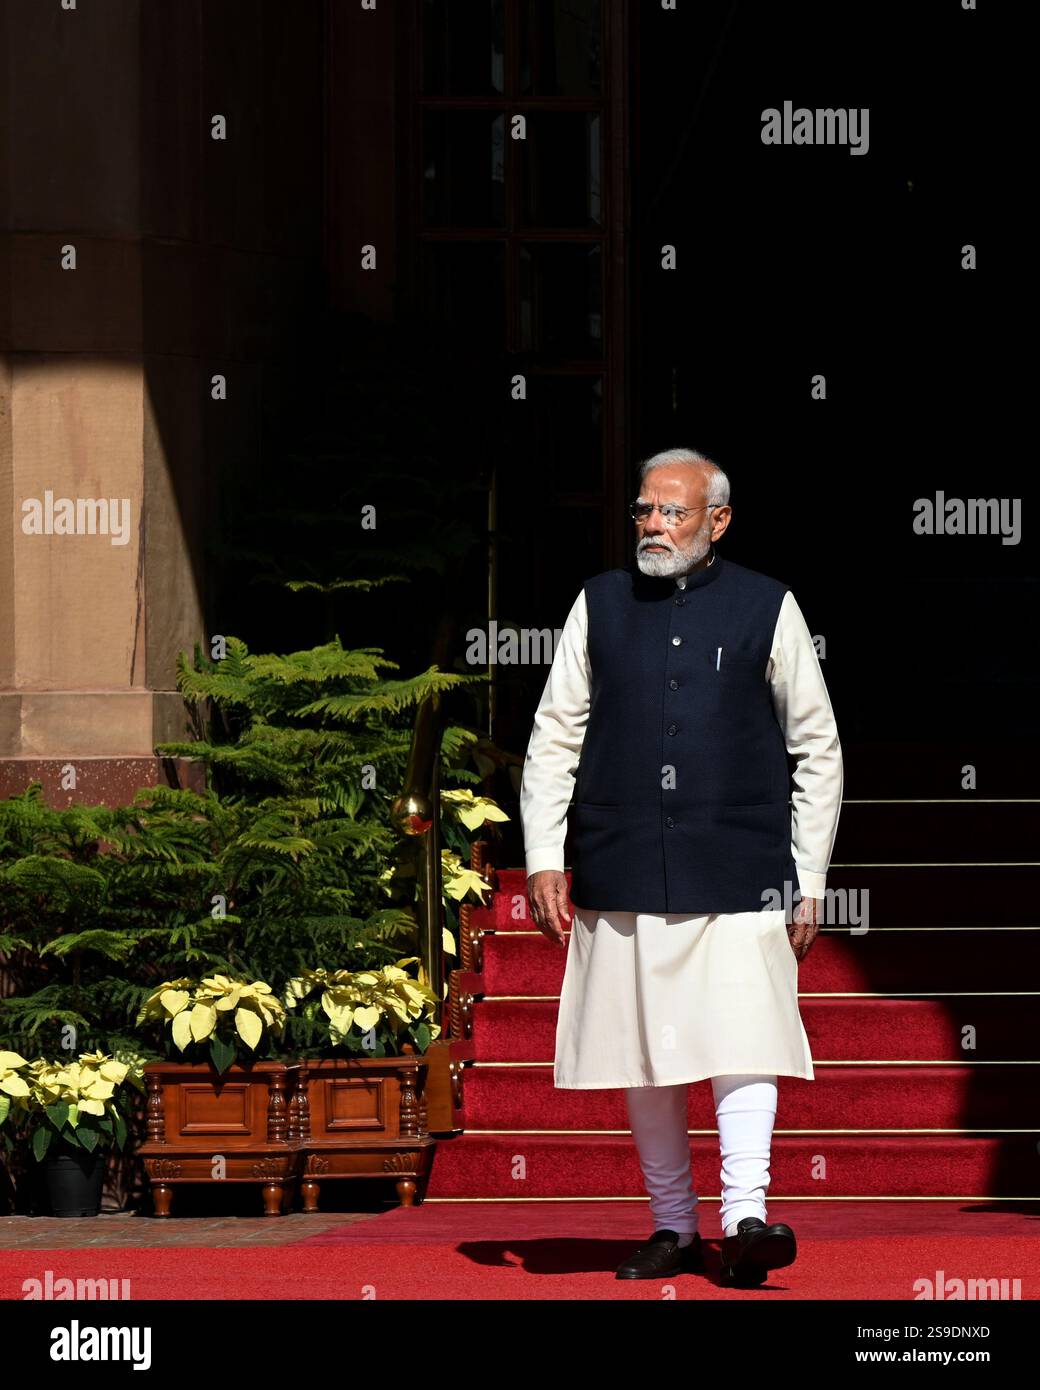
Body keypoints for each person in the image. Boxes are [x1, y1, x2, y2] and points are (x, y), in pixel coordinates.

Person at [520, 447, 843, 1286]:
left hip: (741, 863)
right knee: (645, 1052)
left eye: (672, 512)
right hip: (621, 859)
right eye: (643, 511)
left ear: (717, 520)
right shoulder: (598, 601)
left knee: (745, 1039)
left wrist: (808, 874)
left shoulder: (768, 605)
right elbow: (554, 734)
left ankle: (745, 1217)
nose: (654, 526)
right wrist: (544, 855)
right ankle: (674, 1228)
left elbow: (818, 746)